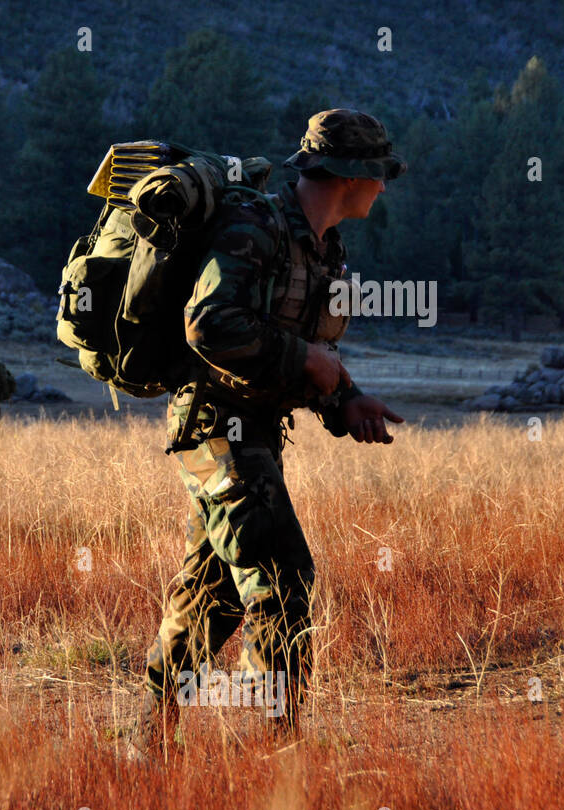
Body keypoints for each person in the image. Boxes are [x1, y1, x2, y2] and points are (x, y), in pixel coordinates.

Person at [139, 109, 407, 754]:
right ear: (351, 175)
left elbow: (298, 347)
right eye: (379, 176)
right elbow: (207, 325)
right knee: (282, 577)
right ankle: (275, 749)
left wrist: (345, 398)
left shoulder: (321, 245)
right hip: (215, 430)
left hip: (252, 430)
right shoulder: (254, 225)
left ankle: (149, 742)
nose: (382, 188)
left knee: (213, 594)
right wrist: (310, 364)